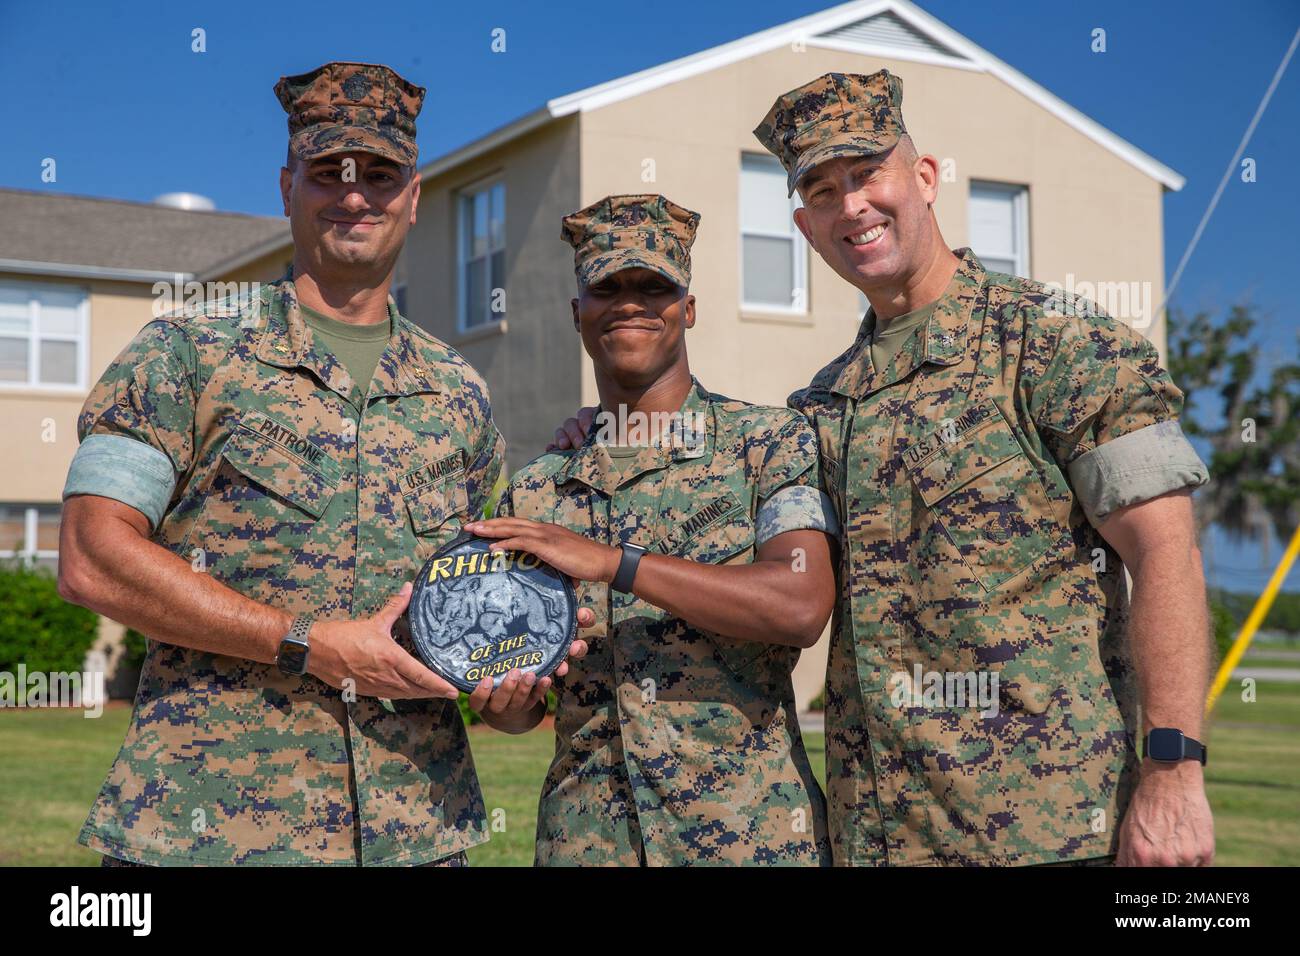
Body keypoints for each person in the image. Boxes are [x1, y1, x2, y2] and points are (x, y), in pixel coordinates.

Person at [552, 71, 1215, 867]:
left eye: (869, 174)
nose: (852, 206)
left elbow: (1164, 551)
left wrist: (1174, 768)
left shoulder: (1055, 343)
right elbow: (737, 485)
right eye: (823, 191)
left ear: (925, 178)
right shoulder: (823, 405)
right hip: (876, 836)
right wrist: (616, 429)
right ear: (803, 224)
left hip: (1048, 831)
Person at [57, 60, 585, 867]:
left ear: (412, 197)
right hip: (213, 832)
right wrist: (305, 641)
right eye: (327, 172)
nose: (353, 194)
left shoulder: (459, 395)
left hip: (418, 833)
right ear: (285, 186)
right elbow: (93, 558)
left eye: (379, 174)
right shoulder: (187, 351)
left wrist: (515, 688)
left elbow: (479, 609)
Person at [467, 194, 839, 865]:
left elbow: (801, 605)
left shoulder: (767, 445)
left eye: (653, 286)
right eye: (607, 286)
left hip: (748, 840)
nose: (630, 302)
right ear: (578, 313)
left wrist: (614, 563)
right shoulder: (538, 490)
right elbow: (516, 708)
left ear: (687, 309)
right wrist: (507, 701)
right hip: (586, 845)